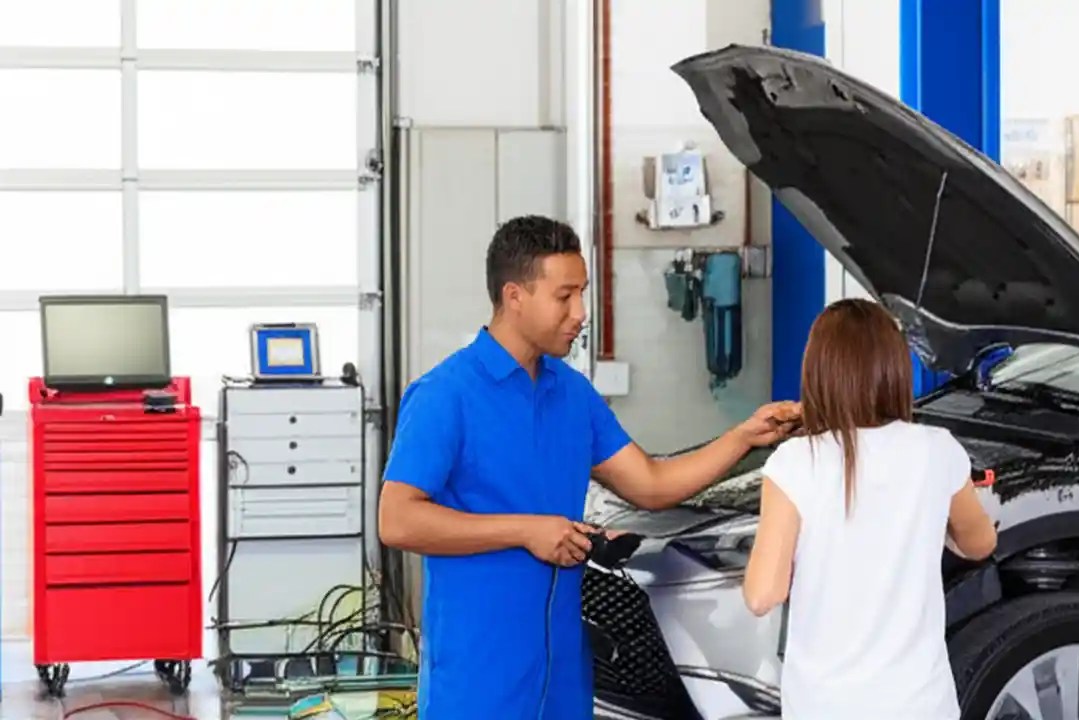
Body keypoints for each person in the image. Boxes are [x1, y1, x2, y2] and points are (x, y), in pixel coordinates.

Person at [377, 214, 801, 720]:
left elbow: (651, 484)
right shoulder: (444, 396)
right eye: (564, 296)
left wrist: (743, 437)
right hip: (476, 679)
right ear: (514, 296)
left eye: (582, 293)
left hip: (565, 680)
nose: (581, 312)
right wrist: (525, 532)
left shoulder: (573, 395)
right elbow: (396, 519)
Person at [741, 298, 998, 719]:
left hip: (824, 707)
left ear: (819, 372)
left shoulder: (795, 463)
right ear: (895, 370)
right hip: (920, 706)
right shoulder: (938, 450)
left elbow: (761, 595)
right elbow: (980, 544)